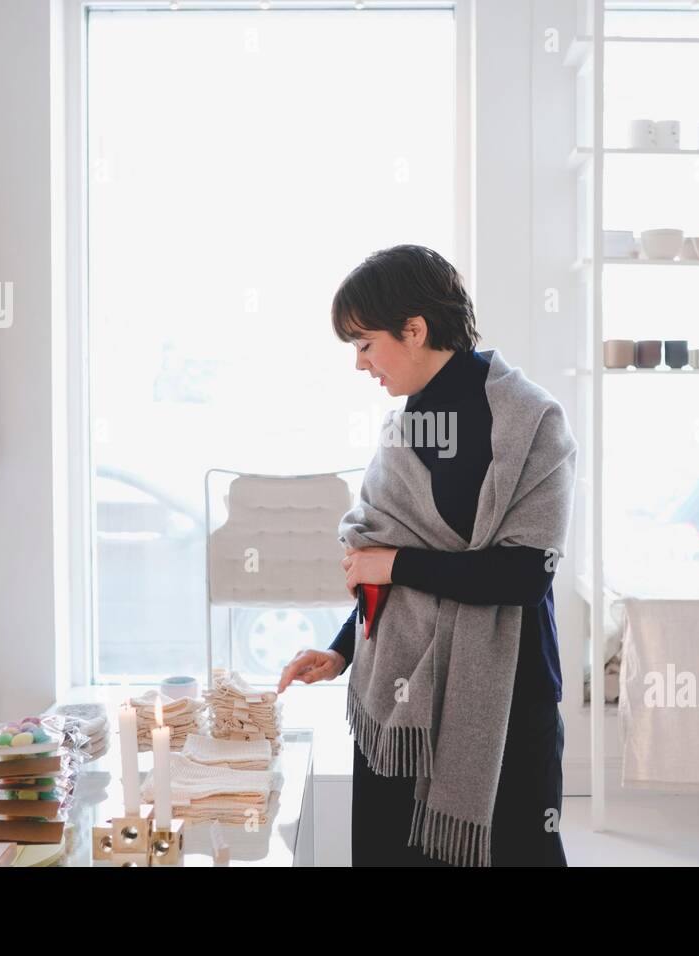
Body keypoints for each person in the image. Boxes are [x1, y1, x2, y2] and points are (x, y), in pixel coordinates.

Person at [278, 244, 570, 867]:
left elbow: (522, 575)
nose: (360, 364)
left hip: (507, 696)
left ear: (415, 330)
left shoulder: (532, 423)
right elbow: (382, 568)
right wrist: (341, 648)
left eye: (364, 344)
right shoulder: (404, 429)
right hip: (397, 704)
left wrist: (394, 564)